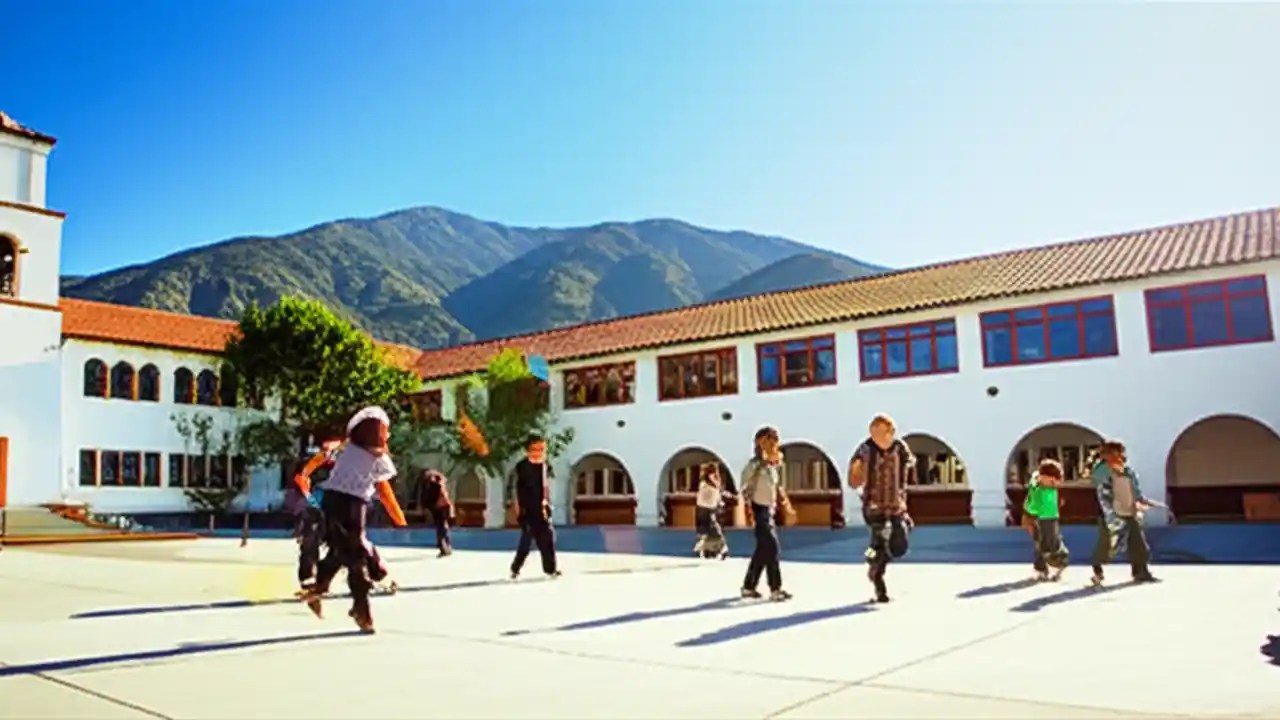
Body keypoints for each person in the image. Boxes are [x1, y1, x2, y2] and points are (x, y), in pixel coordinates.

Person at [299, 407, 407, 634]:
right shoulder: (378, 458)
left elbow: (325, 458)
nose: (388, 436)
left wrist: (306, 472)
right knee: (356, 554)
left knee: (343, 550)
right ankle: (362, 607)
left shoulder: (347, 450)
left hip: (333, 502)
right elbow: (384, 490)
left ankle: (320, 587)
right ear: (376, 432)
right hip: (352, 505)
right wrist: (399, 517)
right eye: (385, 431)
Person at [848, 414, 914, 603]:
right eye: (873, 432)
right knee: (882, 538)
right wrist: (856, 471)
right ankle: (879, 585)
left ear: (891, 432)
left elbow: (910, 463)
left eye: (881, 432)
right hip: (874, 506)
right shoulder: (866, 449)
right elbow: (854, 475)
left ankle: (869, 555)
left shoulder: (900, 447)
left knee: (894, 544)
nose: (877, 436)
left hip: (896, 505)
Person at [1089, 440, 1159, 587]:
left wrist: (1142, 501)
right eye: (1112, 453)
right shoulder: (1101, 470)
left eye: (1119, 452)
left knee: (1138, 542)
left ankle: (1141, 571)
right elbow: (1096, 480)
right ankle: (1097, 569)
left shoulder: (1128, 471)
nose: (1116, 456)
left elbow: (1135, 491)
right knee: (1106, 545)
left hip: (1128, 511)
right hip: (1109, 514)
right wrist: (1111, 469)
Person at [740, 426, 793, 602]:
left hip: (768, 510)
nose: (772, 445)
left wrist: (786, 504)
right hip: (759, 509)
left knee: (763, 550)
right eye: (768, 441)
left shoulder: (772, 466)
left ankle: (749, 586)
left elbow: (777, 487)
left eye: (774, 441)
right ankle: (775, 588)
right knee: (772, 547)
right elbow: (743, 483)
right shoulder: (755, 465)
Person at [510, 434, 560, 580]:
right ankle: (515, 568)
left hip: (543, 509)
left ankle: (550, 569)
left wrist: (548, 504)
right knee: (526, 541)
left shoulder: (545, 465)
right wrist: (518, 509)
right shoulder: (522, 467)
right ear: (528, 450)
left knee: (548, 538)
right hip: (527, 510)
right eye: (535, 449)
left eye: (542, 449)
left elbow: (546, 487)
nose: (538, 452)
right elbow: (516, 490)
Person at [1024, 458, 1070, 582]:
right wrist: (1030, 514)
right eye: (1052, 480)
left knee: (1051, 543)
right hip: (1039, 519)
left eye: (1057, 481)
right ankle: (1042, 569)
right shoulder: (1037, 489)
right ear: (1044, 477)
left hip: (1052, 518)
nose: (1055, 483)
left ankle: (1059, 562)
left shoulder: (1050, 487)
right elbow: (1031, 504)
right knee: (1041, 544)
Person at [694, 463, 732, 560]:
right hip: (705, 509)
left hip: (711, 508)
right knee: (710, 530)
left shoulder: (715, 482)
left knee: (712, 530)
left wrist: (722, 497)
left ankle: (711, 549)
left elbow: (718, 492)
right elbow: (708, 494)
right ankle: (708, 549)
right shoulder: (704, 483)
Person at [419, 469, 454, 557]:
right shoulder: (439, 484)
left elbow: (431, 497)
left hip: (439, 508)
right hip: (441, 507)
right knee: (442, 526)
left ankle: (444, 547)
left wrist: (426, 505)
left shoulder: (435, 485)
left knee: (441, 527)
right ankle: (445, 546)